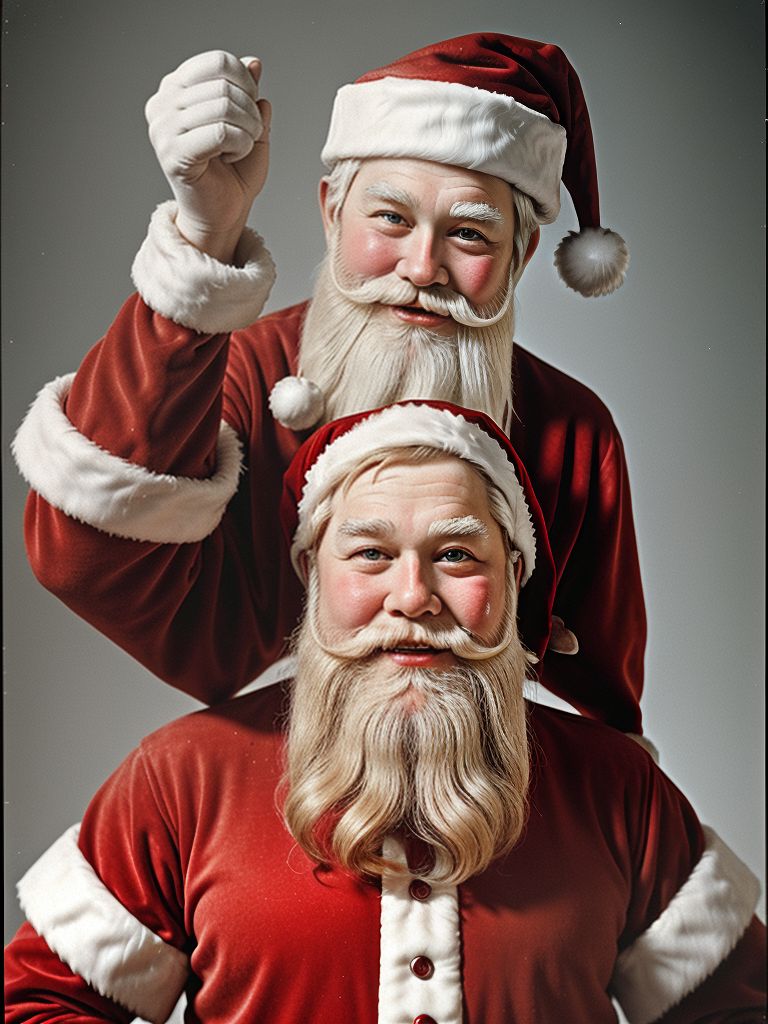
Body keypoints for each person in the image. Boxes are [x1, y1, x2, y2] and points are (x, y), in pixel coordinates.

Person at [5, 402, 765, 1022]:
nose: (412, 596)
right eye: (370, 554)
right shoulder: (180, 777)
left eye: (458, 556)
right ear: (312, 573)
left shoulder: (617, 787)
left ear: (514, 578)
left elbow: (739, 1011)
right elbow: (37, 1007)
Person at [13, 33, 647, 737]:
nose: (421, 266)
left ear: (521, 256)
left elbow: (598, 717)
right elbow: (88, 555)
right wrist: (205, 236)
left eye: (469, 234)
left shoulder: (571, 430)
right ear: (330, 212)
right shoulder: (244, 374)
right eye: (392, 219)